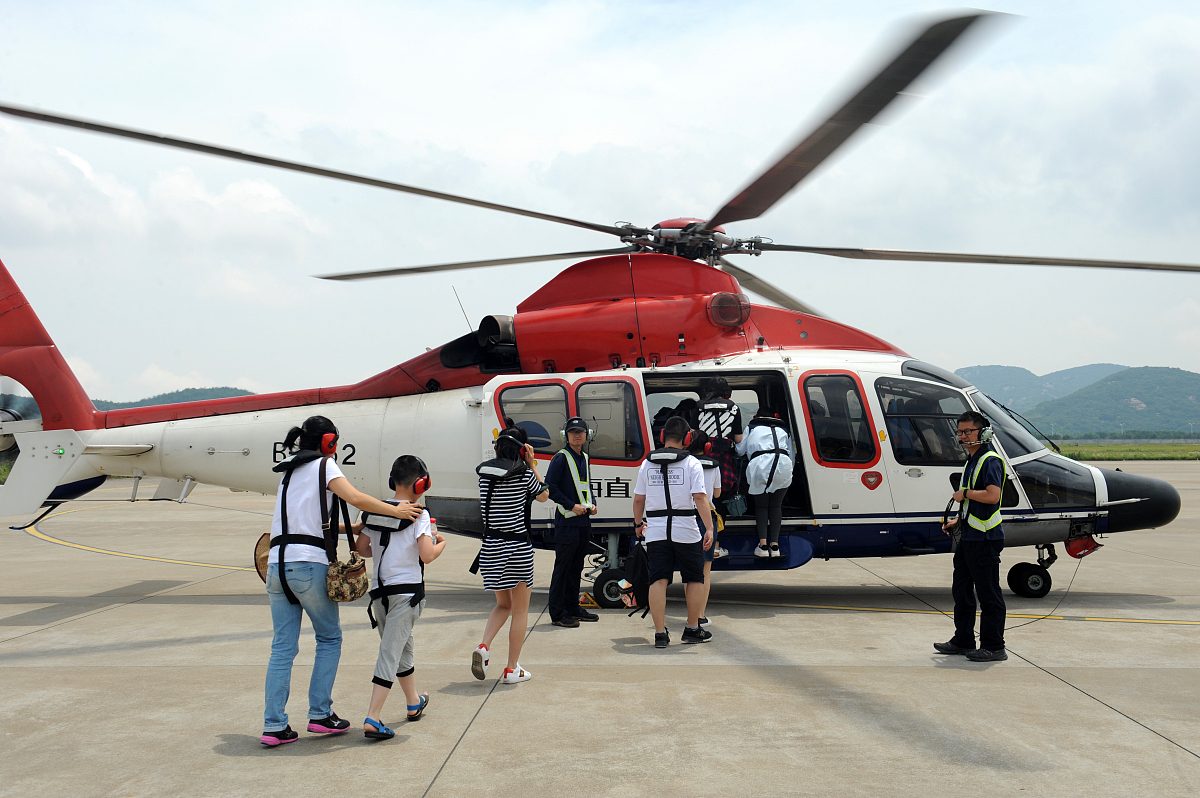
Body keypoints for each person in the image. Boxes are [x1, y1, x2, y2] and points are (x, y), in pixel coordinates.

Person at [261, 416, 422, 747]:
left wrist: (355, 530)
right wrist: (397, 511)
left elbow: (307, 523)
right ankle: (320, 715)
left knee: (282, 648)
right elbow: (358, 499)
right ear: (329, 442)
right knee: (329, 638)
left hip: (277, 566)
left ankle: (274, 725)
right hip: (308, 566)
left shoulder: (287, 473)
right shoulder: (325, 466)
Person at [352, 455, 447, 740]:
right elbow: (426, 556)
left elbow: (363, 548)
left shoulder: (377, 510)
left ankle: (413, 702)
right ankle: (373, 717)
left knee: (402, 647)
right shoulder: (418, 513)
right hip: (406, 593)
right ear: (422, 483)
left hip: (380, 594)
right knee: (390, 653)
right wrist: (441, 542)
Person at [471, 426, 550, 684]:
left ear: (497, 447)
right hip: (517, 548)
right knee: (520, 611)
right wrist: (532, 463)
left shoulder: (484, 476)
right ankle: (511, 669)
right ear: (522, 449)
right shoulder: (524, 474)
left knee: (502, 604)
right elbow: (544, 495)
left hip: (491, 548)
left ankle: (483, 647)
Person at [632, 416, 715, 648]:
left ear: (662, 436)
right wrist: (709, 527)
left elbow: (639, 499)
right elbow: (700, 497)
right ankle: (691, 628)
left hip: (657, 530)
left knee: (658, 580)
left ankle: (659, 633)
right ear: (688, 438)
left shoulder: (647, 464)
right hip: (686, 529)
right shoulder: (692, 463)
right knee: (694, 578)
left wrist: (638, 525)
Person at [937, 411, 1008, 662]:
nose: (963, 436)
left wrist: (965, 493)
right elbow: (974, 503)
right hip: (968, 536)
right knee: (962, 591)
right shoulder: (971, 461)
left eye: (968, 431)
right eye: (960, 432)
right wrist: (958, 520)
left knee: (988, 594)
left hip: (985, 539)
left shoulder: (990, 460)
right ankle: (963, 639)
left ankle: (994, 646)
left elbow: (992, 496)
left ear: (984, 432)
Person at [546, 416, 600, 628]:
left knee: (576, 567)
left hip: (583, 522)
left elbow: (585, 487)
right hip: (568, 522)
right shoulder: (560, 458)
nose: (577, 435)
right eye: (572, 432)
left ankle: (572, 607)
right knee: (563, 568)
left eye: (580, 431)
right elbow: (550, 488)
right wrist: (571, 506)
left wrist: (592, 503)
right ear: (565, 435)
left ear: (587, 435)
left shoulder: (584, 457)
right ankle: (558, 613)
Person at [735, 406, 795, 558]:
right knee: (776, 506)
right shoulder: (784, 430)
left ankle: (762, 545)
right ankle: (775, 546)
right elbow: (792, 456)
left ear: (756, 416)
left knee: (761, 506)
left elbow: (740, 451)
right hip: (784, 466)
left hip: (760, 465)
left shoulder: (752, 427)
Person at [697, 377, 742, 555]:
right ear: (726, 393)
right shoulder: (734, 408)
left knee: (701, 497)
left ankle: (698, 543)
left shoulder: (699, 408)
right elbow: (738, 439)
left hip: (703, 457)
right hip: (724, 460)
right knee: (720, 500)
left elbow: (694, 435)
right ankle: (716, 546)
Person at [688, 430, 720, 626]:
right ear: (707, 447)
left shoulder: (683, 463)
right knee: (705, 571)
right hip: (707, 516)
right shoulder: (714, 465)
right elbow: (717, 494)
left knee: (690, 570)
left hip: (686, 516)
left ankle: (691, 615)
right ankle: (700, 615)